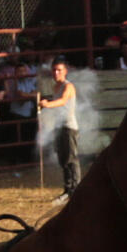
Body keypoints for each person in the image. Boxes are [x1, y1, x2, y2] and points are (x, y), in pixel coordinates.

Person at [39, 59, 81, 195]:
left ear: (65, 71)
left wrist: (47, 104)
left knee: (71, 159)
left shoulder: (68, 86)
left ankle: (76, 189)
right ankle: (68, 188)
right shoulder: (56, 87)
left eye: (59, 70)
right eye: (54, 70)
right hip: (59, 126)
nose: (56, 73)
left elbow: (62, 101)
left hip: (69, 127)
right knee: (63, 159)